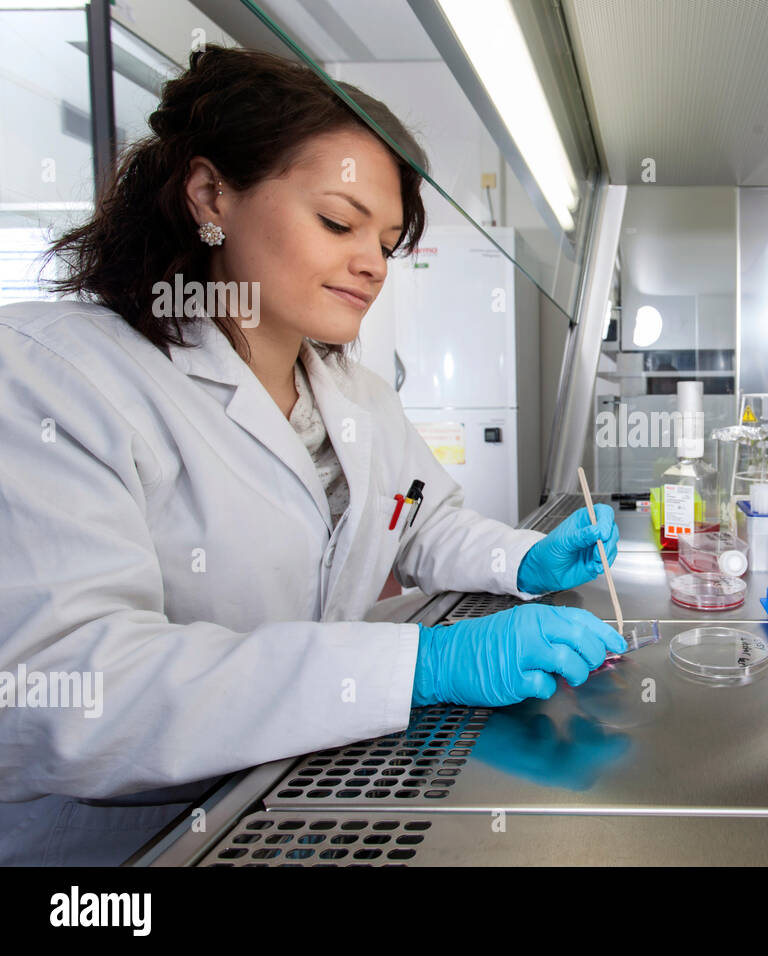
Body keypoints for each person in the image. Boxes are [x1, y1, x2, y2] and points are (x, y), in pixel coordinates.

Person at [0, 45, 623, 866]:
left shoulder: (352, 392)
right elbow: (69, 691)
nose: (371, 262)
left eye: (389, 242)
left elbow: (422, 522)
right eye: (338, 222)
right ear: (210, 195)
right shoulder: (55, 373)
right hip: (128, 848)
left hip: (299, 798)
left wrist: (528, 557)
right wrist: (418, 663)